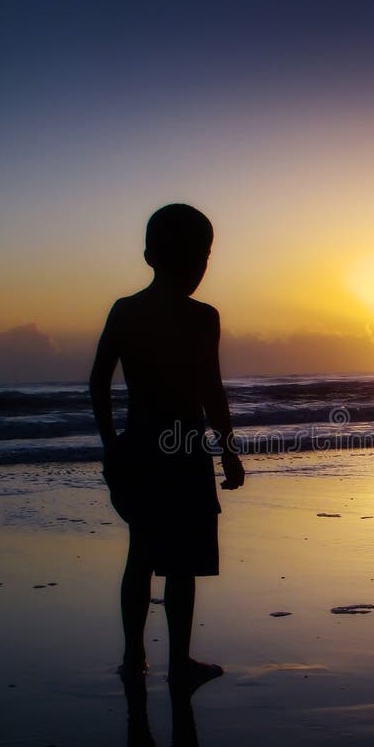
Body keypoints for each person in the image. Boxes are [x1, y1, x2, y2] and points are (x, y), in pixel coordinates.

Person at [90, 203, 244, 687]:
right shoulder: (202, 318)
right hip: (183, 451)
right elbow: (211, 391)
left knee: (141, 553)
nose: (202, 266)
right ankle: (178, 661)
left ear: (148, 254)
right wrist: (228, 449)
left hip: (139, 445)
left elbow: (98, 383)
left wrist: (112, 443)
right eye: (202, 256)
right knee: (182, 565)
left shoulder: (125, 311)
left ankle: (133, 658)